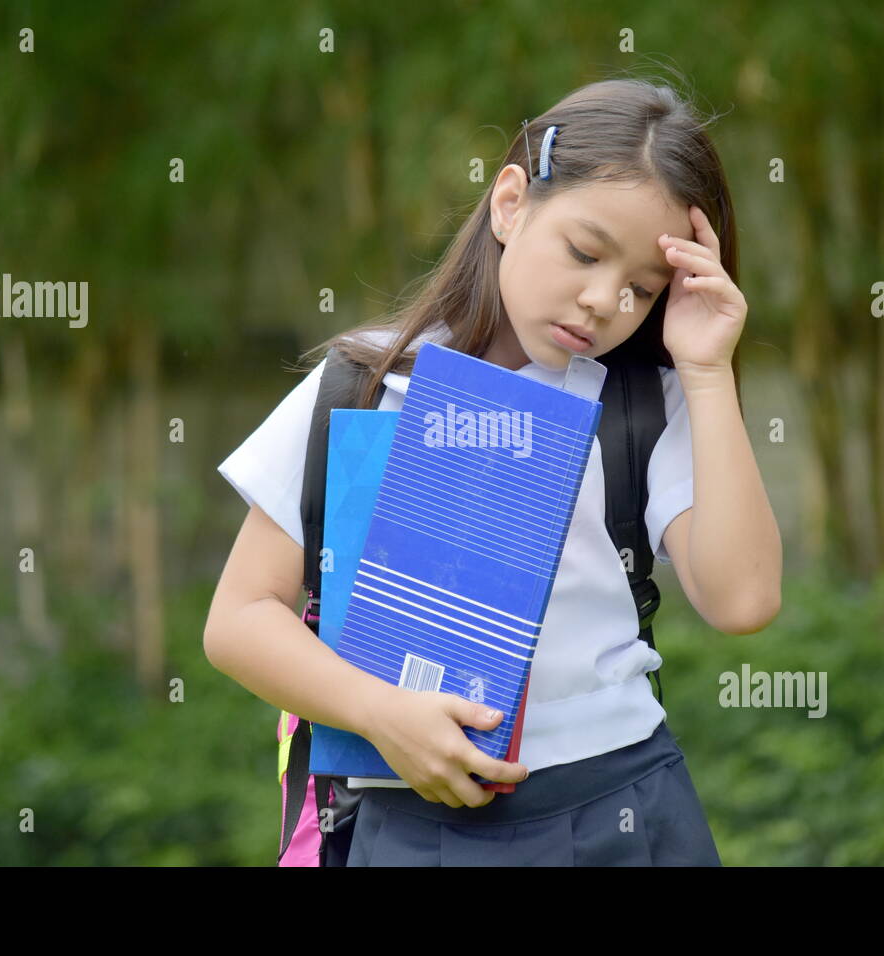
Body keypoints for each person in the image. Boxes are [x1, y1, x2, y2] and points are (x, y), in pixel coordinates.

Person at [204, 77, 782, 866]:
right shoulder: (366, 387)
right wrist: (379, 713)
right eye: (584, 252)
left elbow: (744, 600)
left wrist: (708, 373)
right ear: (511, 204)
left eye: (641, 289)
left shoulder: (646, 401)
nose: (601, 300)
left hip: (625, 812)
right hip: (413, 823)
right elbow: (239, 618)